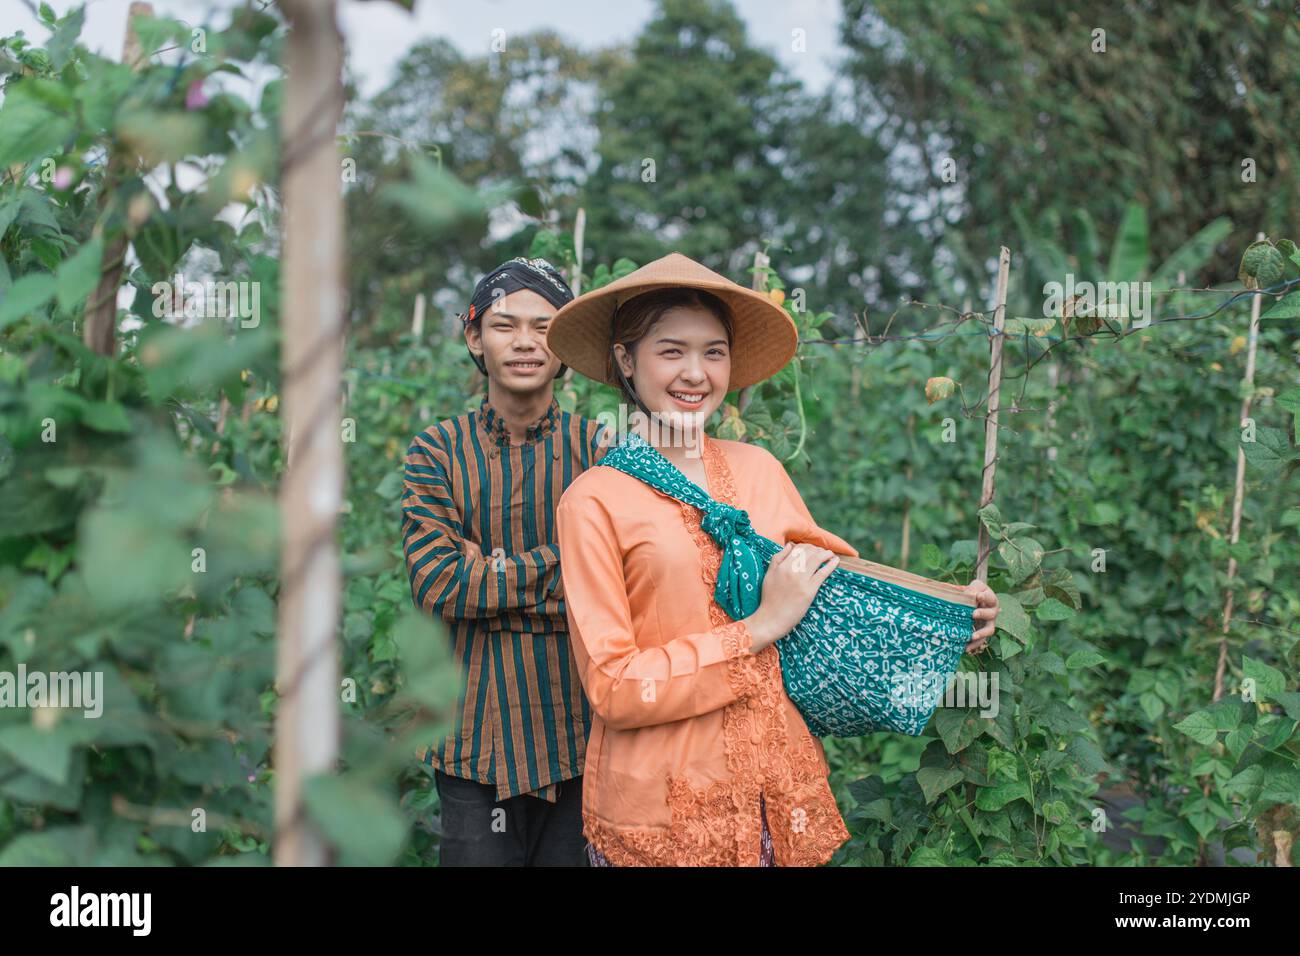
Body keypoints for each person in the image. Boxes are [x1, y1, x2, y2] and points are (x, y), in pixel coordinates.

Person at [547, 252, 1000, 866]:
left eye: (714, 351)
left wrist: (952, 619)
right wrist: (759, 627)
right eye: (670, 350)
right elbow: (614, 687)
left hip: (772, 792)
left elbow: (848, 605)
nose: (696, 373)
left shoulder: (760, 470)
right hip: (667, 810)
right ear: (626, 360)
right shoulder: (594, 500)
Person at [401, 257, 605, 866]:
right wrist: (566, 566)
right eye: (503, 325)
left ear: (565, 345)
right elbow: (438, 583)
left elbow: (615, 579)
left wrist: (489, 573)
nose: (524, 343)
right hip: (473, 737)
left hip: (580, 731)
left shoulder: (601, 450)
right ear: (474, 338)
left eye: (544, 327)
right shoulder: (437, 451)